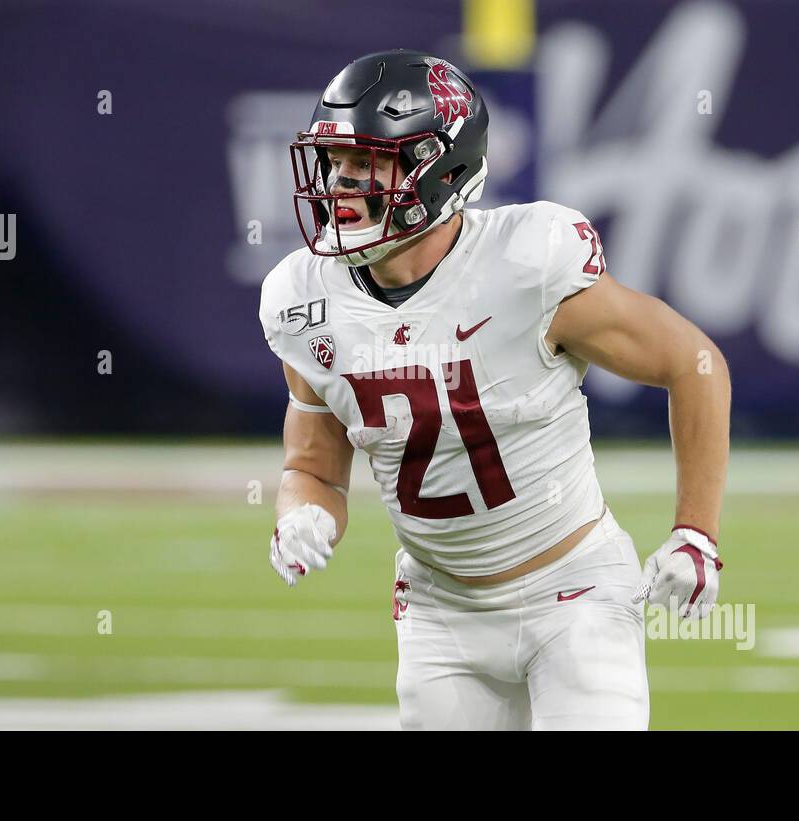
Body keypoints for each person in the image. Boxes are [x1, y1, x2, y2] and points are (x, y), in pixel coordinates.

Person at [258, 50, 730, 730]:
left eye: (367, 163)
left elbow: (696, 363)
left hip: (575, 592)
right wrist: (301, 511)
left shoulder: (527, 264)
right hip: (440, 612)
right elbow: (312, 465)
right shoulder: (303, 300)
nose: (340, 184)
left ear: (439, 168)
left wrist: (696, 533)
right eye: (336, 163)